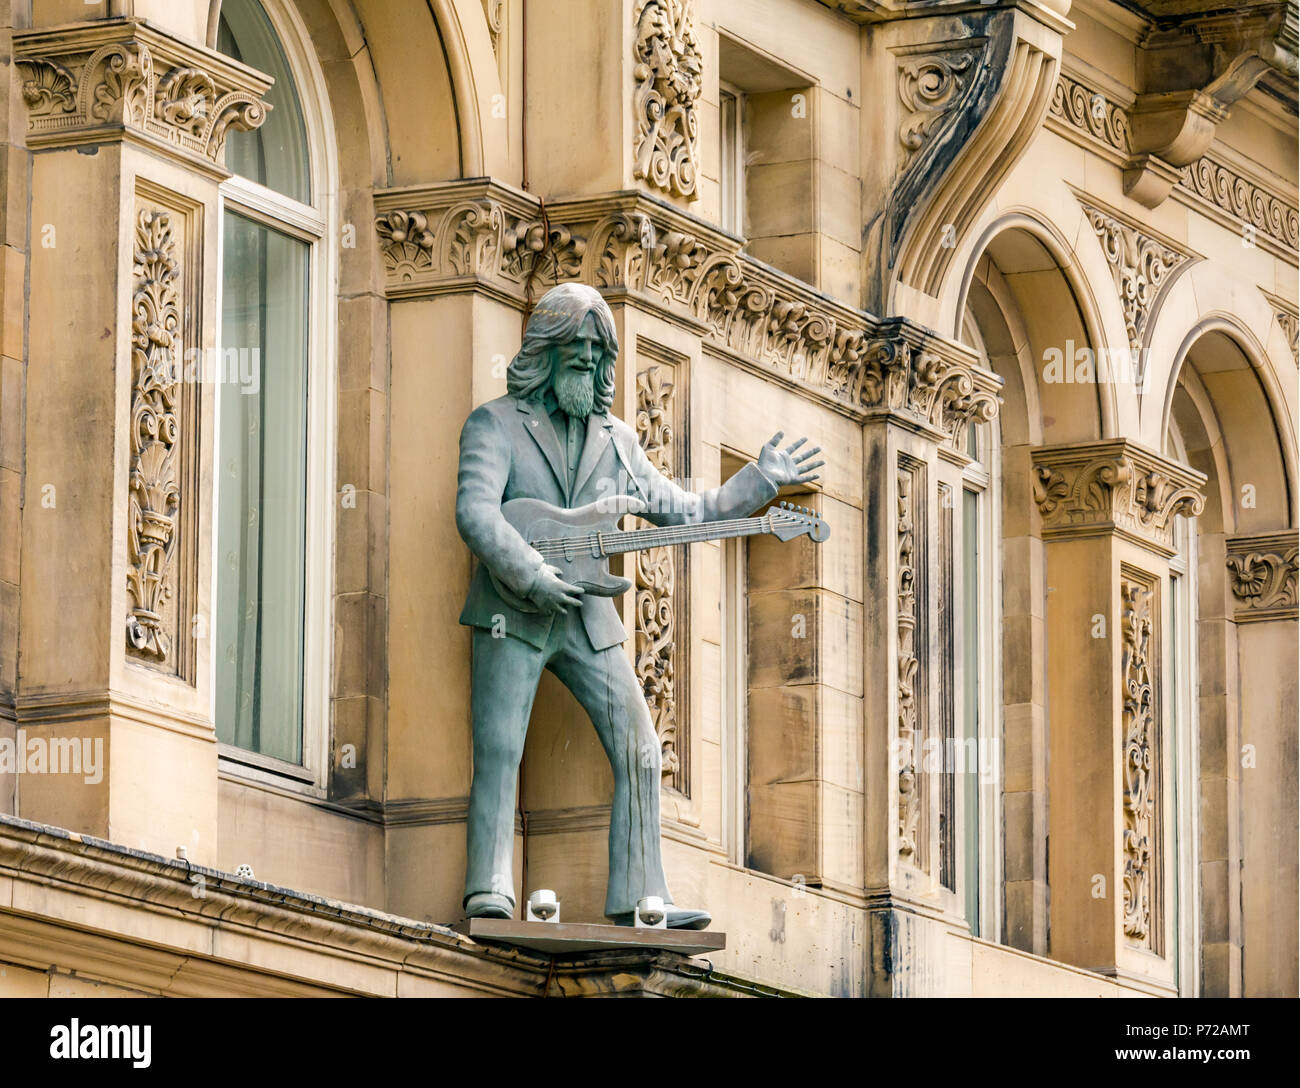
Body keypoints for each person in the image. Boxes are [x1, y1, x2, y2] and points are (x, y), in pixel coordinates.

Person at [455, 282, 823, 928]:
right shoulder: (496, 424)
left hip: (588, 617)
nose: (590, 364)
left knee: (643, 750)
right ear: (547, 349)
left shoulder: (619, 440)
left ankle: (639, 896)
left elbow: (688, 509)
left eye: (599, 355)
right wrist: (534, 574)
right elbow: (477, 515)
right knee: (500, 745)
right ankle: (489, 887)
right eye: (577, 351)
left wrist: (759, 480)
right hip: (513, 608)